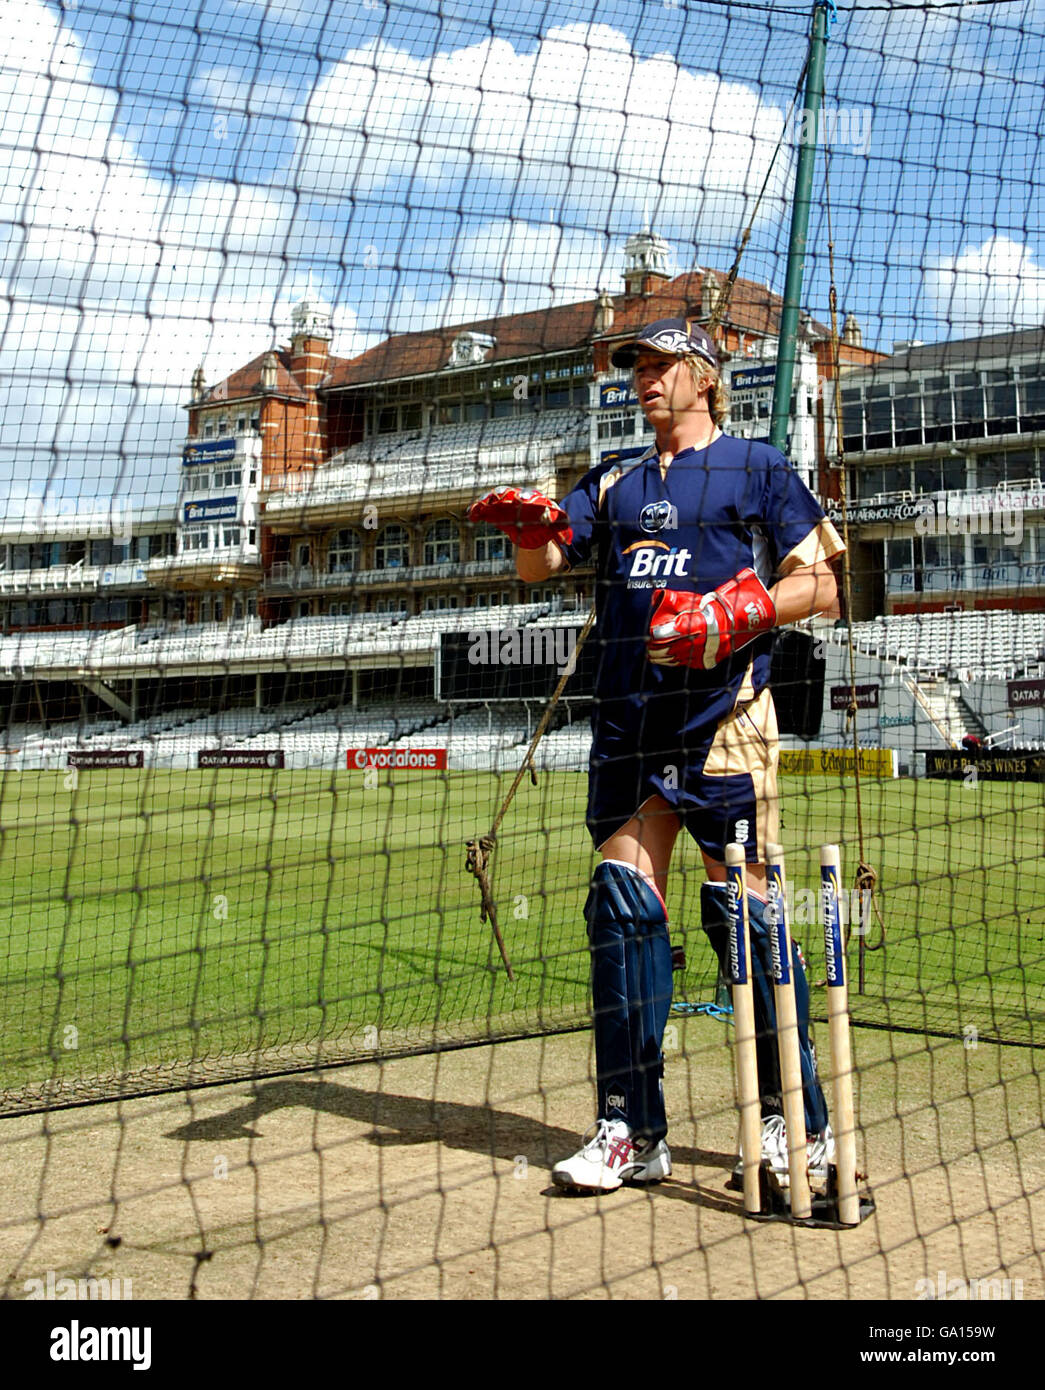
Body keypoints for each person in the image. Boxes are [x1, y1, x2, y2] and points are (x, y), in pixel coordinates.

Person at [468, 318, 845, 1196]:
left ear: (704, 377)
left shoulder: (757, 467)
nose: (642, 378)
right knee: (620, 909)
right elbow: (541, 566)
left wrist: (734, 613)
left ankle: (800, 1125)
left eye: (660, 364)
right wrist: (527, 529)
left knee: (740, 919)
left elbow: (825, 582)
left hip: (723, 715)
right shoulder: (613, 481)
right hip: (627, 721)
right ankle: (630, 1129)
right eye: (634, 366)